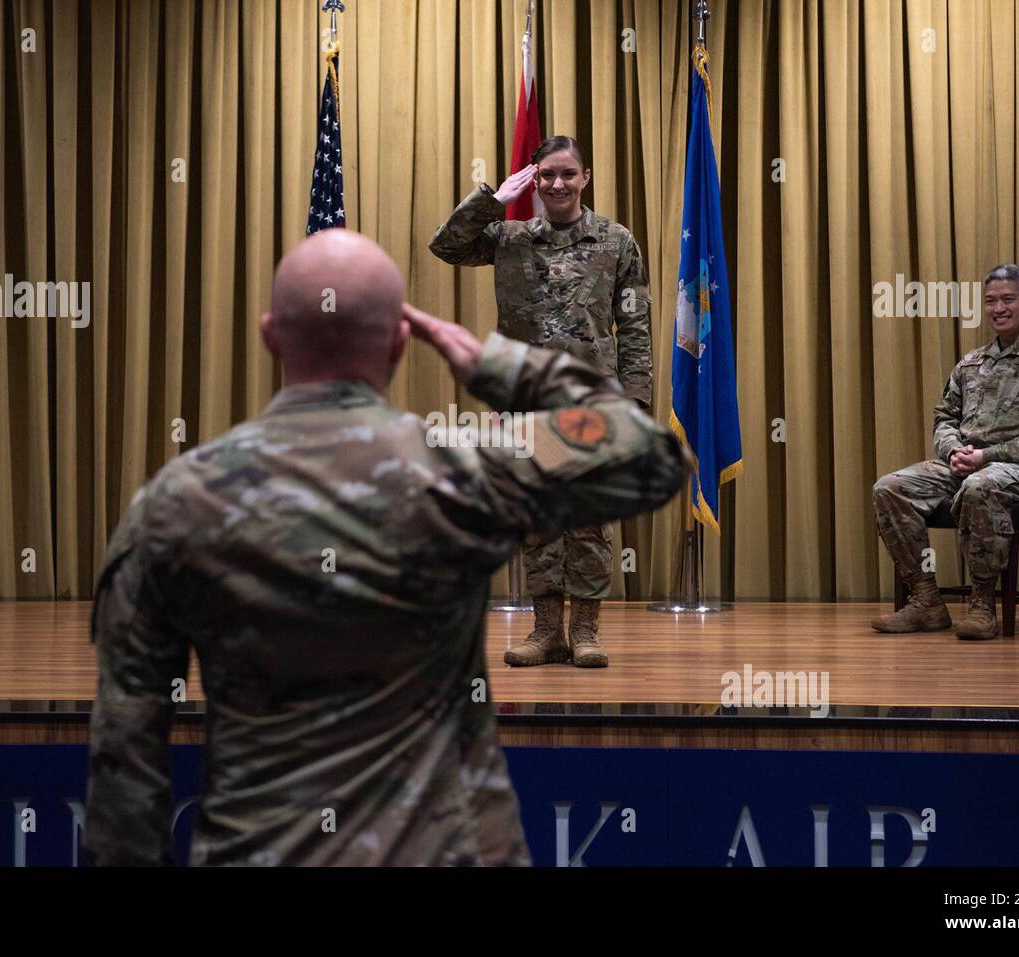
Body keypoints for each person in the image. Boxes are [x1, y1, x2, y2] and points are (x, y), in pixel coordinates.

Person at [83, 228, 685, 865]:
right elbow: (646, 453)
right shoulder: (465, 471)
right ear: (402, 343)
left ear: (269, 335)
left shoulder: (174, 504)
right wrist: (496, 366)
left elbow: (126, 758)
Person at [429, 135, 652, 668]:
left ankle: (587, 631)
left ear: (585, 178)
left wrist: (637, 403)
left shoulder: (615, 241)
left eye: (567, 175)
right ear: (533, 178)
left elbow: (635, 326)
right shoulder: (508, 237)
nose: (556, 184)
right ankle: (546, 630)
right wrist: (492, 198)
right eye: (546, 175)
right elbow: (446, 246)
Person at [871, 263, 1019, 641]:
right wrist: (953, 450)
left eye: (1008, 299)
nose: (998, 308)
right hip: (964, 463)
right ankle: (926, 602)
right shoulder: (971, 363)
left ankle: (983, 604)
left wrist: (986, 458)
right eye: (990, 301)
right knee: (889, 488)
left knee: (981, 485)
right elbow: (944, 417)